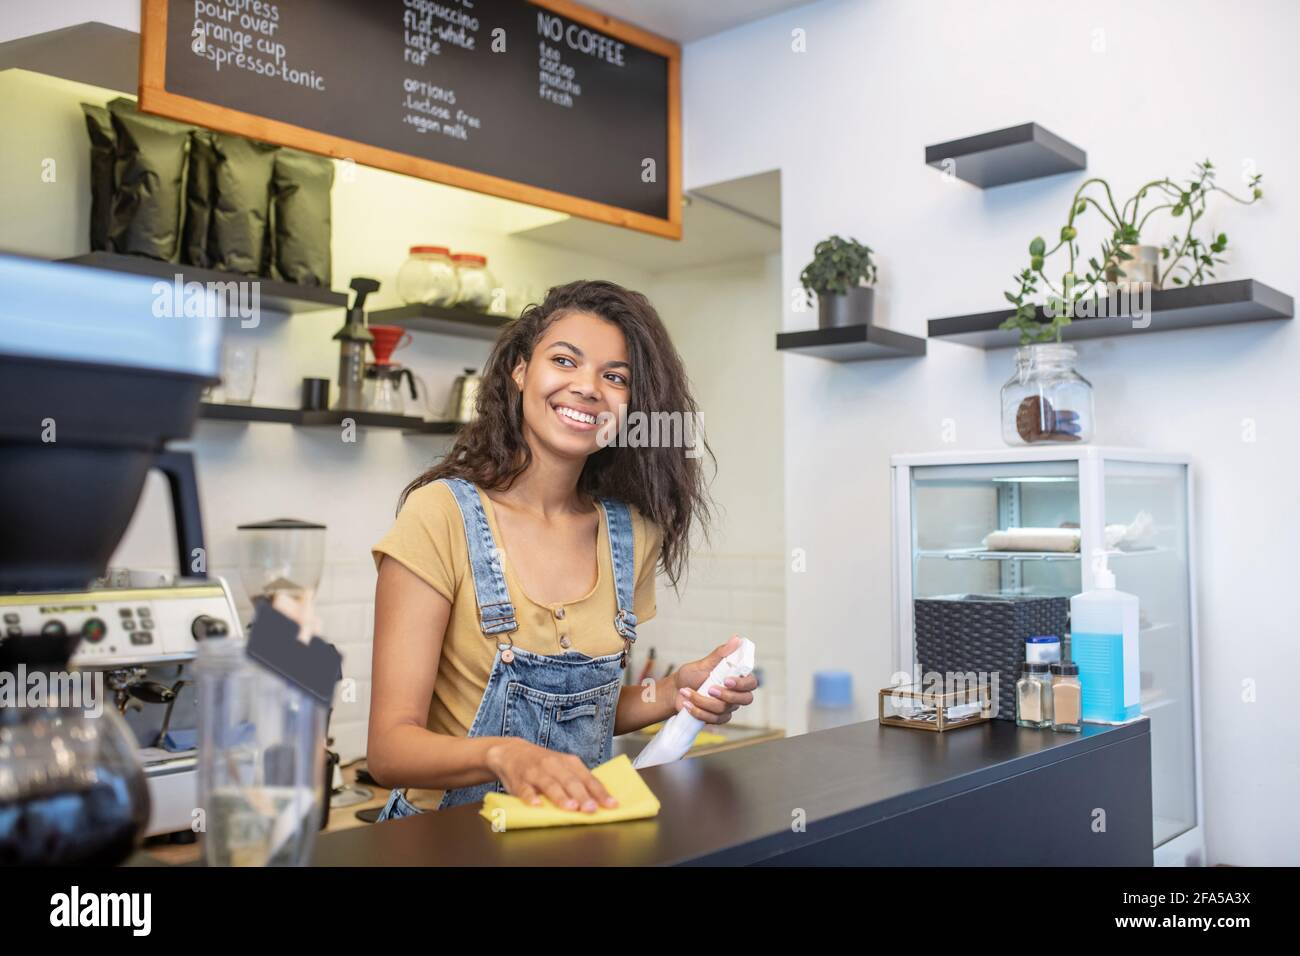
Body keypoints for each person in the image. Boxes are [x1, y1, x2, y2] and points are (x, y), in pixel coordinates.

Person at [367, 279, 758, 819]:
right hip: (447, 848)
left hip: (574, 841)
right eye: (565, 361)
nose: (588, 387)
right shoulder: (440, 516)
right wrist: (505, 756)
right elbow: (389, 750)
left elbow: (584, 713)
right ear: (521, 371)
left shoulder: (630, 534)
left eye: (614, 376)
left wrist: (672, 691)